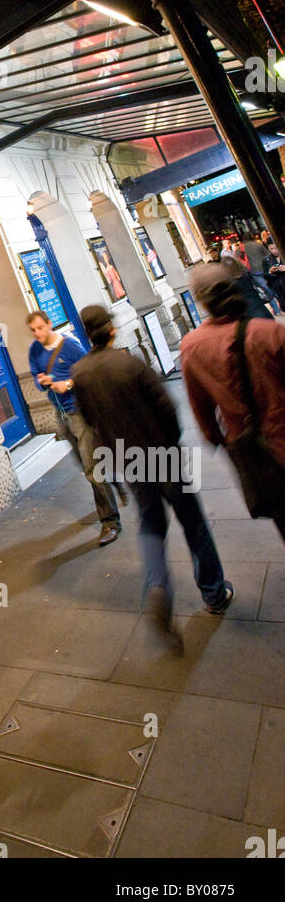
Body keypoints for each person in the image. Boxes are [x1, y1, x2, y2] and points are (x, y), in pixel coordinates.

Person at [72, 304, 233, 647]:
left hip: (130, 462)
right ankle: (214, 593)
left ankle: (157, 585)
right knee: (193, 521)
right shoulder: (130, 364)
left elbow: (88, 420)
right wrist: (170, 443)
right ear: (111, 329)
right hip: (162, 456)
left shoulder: (81, 373)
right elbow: (167, 408)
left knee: (150, 525)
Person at [180, 264, 285, 542]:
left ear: (200, 300)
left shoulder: (192, 346)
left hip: (254, 449)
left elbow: (199, 405)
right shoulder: (268, 332)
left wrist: (218, 438)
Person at [26, 311, 123, 545]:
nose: (38, 334)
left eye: (41, 328)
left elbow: (88, 373)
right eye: (33, 330)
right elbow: (38, 381)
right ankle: (111, 484)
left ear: (49, 324)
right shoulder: (35, 351)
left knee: (91, 470)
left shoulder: (70, 346)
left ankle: (110, 521)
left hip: (78, 411)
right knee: (86, 464)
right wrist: (43, 383)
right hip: (61, 415)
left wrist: (68, 383)